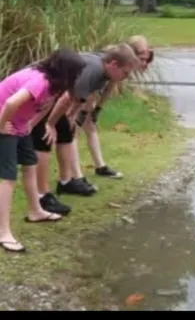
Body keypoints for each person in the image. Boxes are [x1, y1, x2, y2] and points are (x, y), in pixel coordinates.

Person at [31, 44, 140, 215]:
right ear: (112, 64)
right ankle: (42, 195)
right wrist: (51, 124)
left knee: (66, 133)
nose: (125, 77)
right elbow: (66, 98)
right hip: (38, 91)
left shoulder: (104, 73)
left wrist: (71, 118)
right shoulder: (94, 70)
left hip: (55, 95)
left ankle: (66, 182)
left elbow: (77, 98)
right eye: (124, 73)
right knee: (44, 139)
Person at [0, 49, 85, 252]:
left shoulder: (55, 86)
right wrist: (1, 125)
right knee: (8, 177)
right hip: (5, 120)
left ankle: (35, 211)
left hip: (19, 123)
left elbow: (45, 105)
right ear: (66, 71)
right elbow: (11, 102)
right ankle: (3, 232)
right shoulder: (40, 81)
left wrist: (31, 122)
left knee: (30, 165)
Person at [72, 35, 154, 181]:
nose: (144, 63)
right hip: (78, 89)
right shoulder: (116, 62)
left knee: (90, 126)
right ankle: (75, 173)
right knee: (72, 128)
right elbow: (91, 85)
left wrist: (98, 109)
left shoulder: (122, 66)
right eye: (142, 58)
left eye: (147, 59)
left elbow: (109, 87)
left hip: (87, 91)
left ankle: (100, 166)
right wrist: (85, 110)